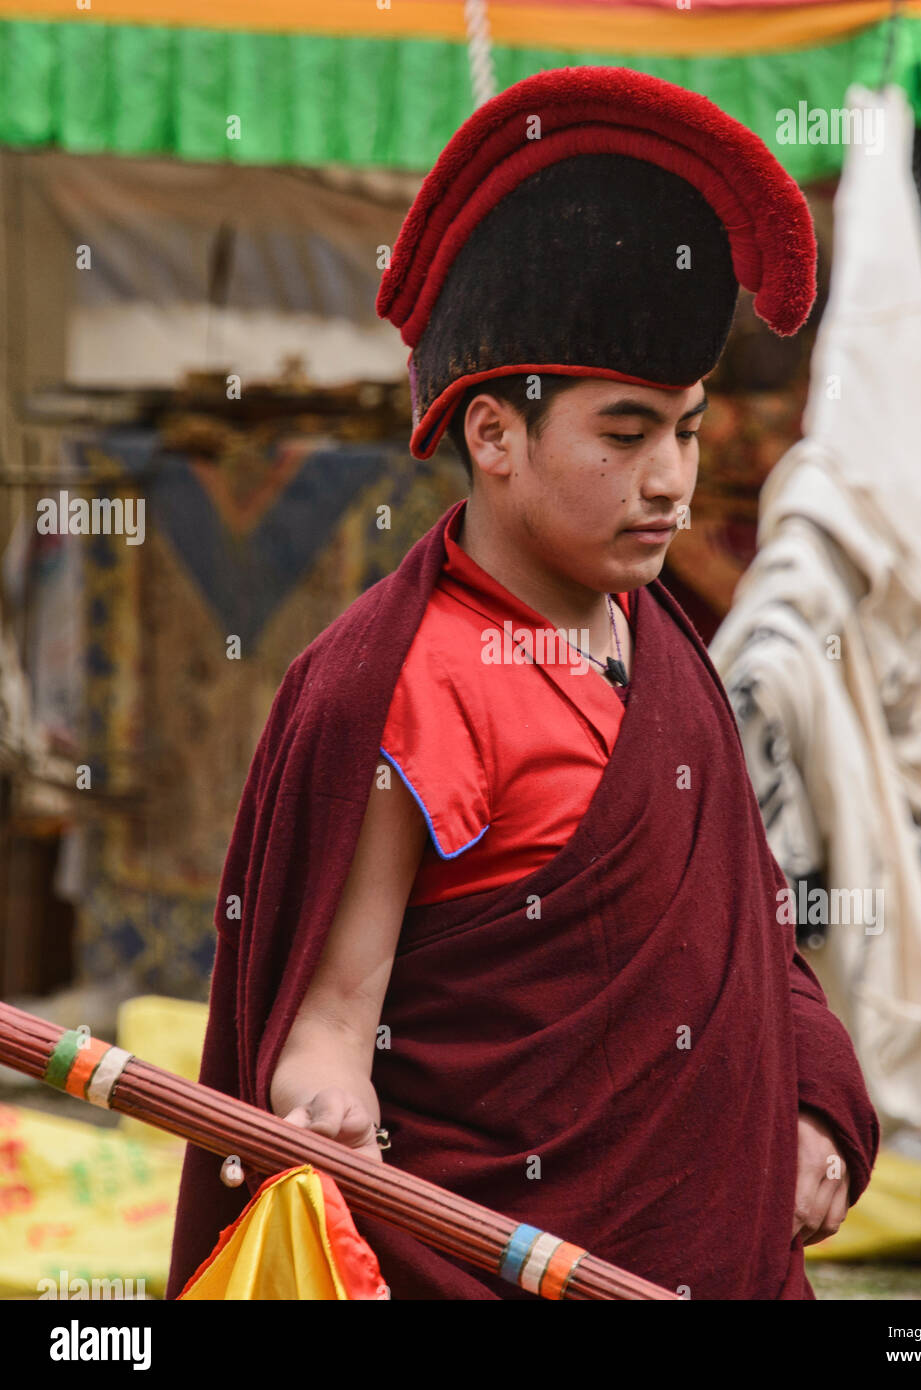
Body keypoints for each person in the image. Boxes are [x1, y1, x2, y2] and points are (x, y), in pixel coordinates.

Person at [166, 66, 879, 1301]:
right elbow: (331, 1013)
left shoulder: (660, 643)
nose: (672, 481)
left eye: (689, 428)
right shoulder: (397, 684)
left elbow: (753, 941)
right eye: (624, 433)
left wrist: (812, 1099)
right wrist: (329, 1111)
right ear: (493, 435)